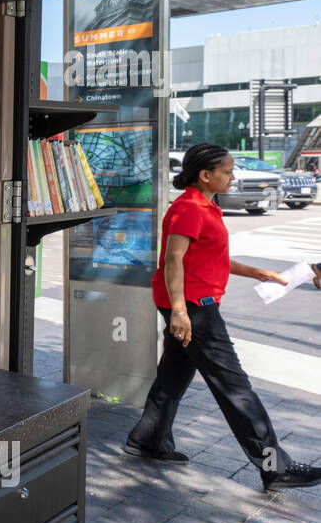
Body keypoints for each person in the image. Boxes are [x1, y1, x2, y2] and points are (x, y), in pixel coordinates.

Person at [125, 143, 321, 491]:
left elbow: (210, 256)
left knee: (173, 375)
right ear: (206, 175)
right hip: (194, 308)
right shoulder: (189, 208)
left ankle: (147, 440)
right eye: (228, 171)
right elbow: (173, 261)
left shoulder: (203, 206)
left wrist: (257, 272)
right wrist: (181, 312)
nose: (233, 176)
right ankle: (276, 468)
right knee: (235, 387)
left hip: (188, 304)